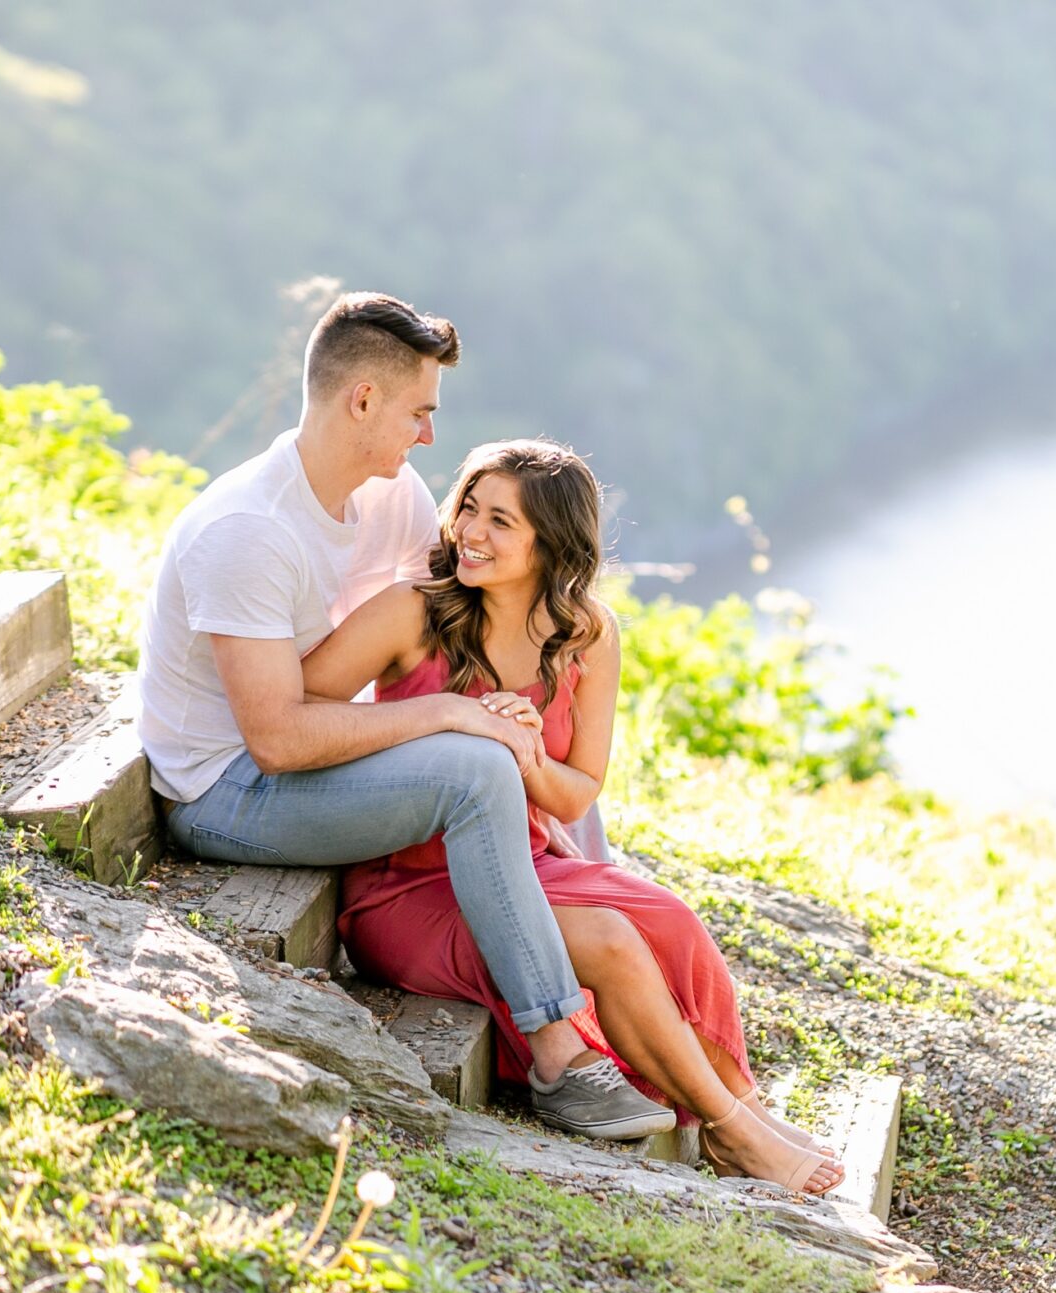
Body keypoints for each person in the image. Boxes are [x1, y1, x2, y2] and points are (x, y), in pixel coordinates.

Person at [137, 291, 672, 1142]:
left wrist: (519, 715)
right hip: (227, 789)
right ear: (363, 401)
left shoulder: (390, 497)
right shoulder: (246, 530)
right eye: (420, 411)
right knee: (477, 756)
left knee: (516, 735)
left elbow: (467, 617)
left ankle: (588, 917)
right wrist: (457, 719)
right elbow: (274, 740)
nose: (429, 434)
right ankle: (556, 1054)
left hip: (322, 753)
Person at [300, 438, 845, 1194]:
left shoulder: (587, 634)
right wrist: (443, 722)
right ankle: (732, 1129)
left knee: (672, 925)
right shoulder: (409, 615)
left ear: (550, 545)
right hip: (408, 885)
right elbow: (306, 709)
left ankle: (743, 1106)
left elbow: (577, 792)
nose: (471, 532)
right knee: (613, 942)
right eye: (467, 508)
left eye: (500, 521)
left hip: (524, 862)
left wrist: (524, 759)